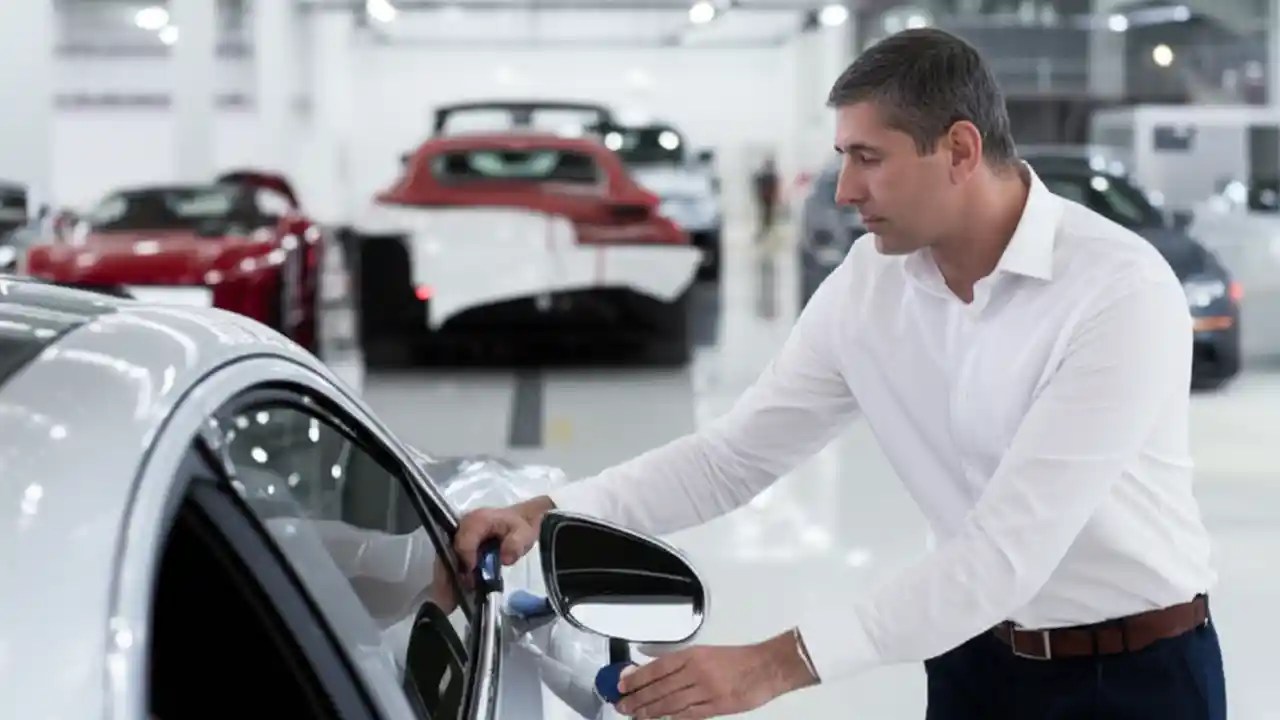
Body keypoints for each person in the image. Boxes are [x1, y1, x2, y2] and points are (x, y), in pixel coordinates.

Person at [454, 27, 1225, 720]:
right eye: (843, 159)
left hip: (1132, 679)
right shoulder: (872, 285)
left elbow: (1005, 554)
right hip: (971, 663)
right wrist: (548, 512)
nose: (846, 190)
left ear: (958, 150)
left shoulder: (1116, 289)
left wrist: (770, 667)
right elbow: (735, 456)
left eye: (869, 158)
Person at [751, 155, 779, 240]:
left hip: (769, 198)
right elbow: (756, 184)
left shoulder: (771, 175)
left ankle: (767, 230)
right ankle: (764, 231)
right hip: (764, 198)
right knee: (764, 215)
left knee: (768, 215)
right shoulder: (762, 175)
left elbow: (775, 187)